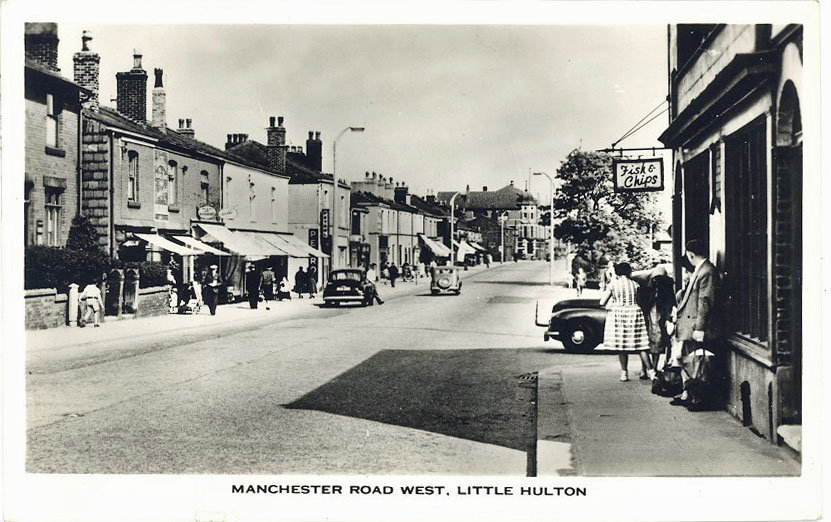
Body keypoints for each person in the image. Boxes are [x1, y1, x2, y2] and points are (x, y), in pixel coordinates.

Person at [670, 239, 720, 409]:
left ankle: (696, 397)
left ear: (690, 254)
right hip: (689, 324)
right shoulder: (703, 270)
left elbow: (705, 301)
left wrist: (700, 327)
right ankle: (688, 394)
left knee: (696, 362)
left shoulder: (706, 271)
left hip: (695, 326)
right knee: (687, 360)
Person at [598, 262, 653, 382]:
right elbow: (640, 301)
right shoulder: (635, 284)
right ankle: (652, 371)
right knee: (641, 344)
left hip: (618, 314)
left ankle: (624, 373)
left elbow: (602, 302)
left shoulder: (613, 284)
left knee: (622, 345)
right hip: (634, 312)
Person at [638, 265, 677, 376]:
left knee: (657, 343)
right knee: (647, 343)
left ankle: (651, 368)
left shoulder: (665, 286)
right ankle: (646, 368)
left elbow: (670, 301)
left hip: (658, 317)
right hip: (651, 317)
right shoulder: (646, 286)